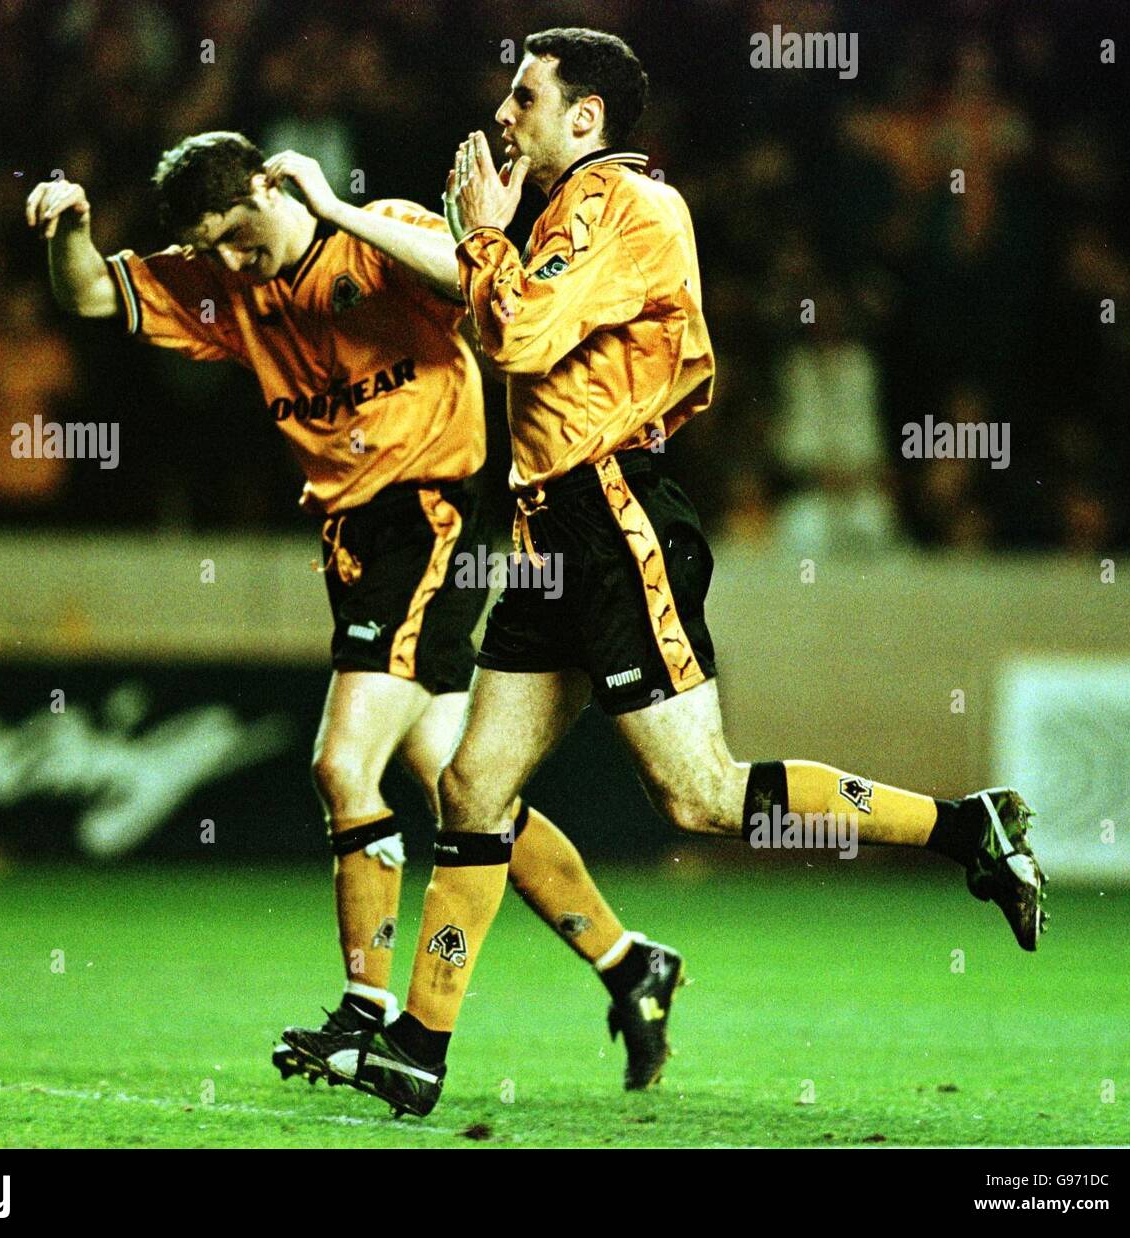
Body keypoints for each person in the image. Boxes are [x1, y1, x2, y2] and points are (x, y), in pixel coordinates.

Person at [277, 27, 1048, 1118]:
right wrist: (420, 230)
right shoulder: (556, 217)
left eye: (525, 96)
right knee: (472, 785)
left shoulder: (627, 206)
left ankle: (966, 827)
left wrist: (484, 236)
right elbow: (492, 294)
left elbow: (518, 334)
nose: (506, 115)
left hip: (613, 517)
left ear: (583, 118)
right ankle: (418, 1042)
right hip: (553, 526)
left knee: (699, 794)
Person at [24, 130, 685, 1092]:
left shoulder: (378, 238)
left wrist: (337, 211)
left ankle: (364, 1012)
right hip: (351, 541)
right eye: (212, 251)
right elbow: (87, 292)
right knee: (463, 784)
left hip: (433, 515)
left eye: (241, 238)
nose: (232, 265)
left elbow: (479, 291)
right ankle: (631, 963)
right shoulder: (225, 281)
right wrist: (71, 228)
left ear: (270, 184)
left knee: (341, 762)